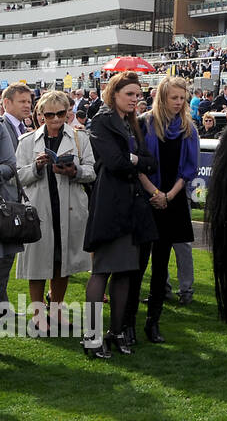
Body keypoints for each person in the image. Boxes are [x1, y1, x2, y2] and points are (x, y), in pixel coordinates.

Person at [83, 71, 158, 358]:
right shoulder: (102, 120)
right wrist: (134, 161)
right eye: (130, 94)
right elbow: (113, 162)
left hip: (132, 207)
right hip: (109, 204)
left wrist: (133, 160)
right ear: (114, 94)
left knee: (125, 272)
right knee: (102, 270)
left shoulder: (132, 124)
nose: (135, 99)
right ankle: (92, 338)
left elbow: (148, 162)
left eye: (138, 95)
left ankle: (116, 332)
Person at [15, 94, 95, 335]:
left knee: (64, 262)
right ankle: (39, 315)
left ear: (68, 112)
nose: (56, 119)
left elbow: (91, 171)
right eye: (49, 115)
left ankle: (56, 310)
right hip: (39, 210)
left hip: (69, 208)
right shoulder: (27, 141)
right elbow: (19, 176)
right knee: (38, 264)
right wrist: (37, 167)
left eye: (61, 114)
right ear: (41, 115)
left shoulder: (81, 138)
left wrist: (74, 170)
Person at [136, 75, 200, 344]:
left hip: (172, 202)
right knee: (138, 263)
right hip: (146, 200)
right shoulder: (143, 124)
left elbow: (188, 169)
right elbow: (137, 164)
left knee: (161, 263)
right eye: (174, 97)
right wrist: (155, 193)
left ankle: (153, 322)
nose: (178, 102)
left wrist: (169, 196)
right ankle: (127, 320)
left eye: (182, 98)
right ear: (162, 97)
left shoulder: (189, 128)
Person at [0, 83, 35, 316]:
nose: (28, 106)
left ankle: (3, 306)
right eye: (22, 101)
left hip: (9, 205)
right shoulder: (6, 126)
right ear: (6, 103)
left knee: (6, 259)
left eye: (29, 102)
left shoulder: (24, 128)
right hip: (8, 203)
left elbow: (12, 165)